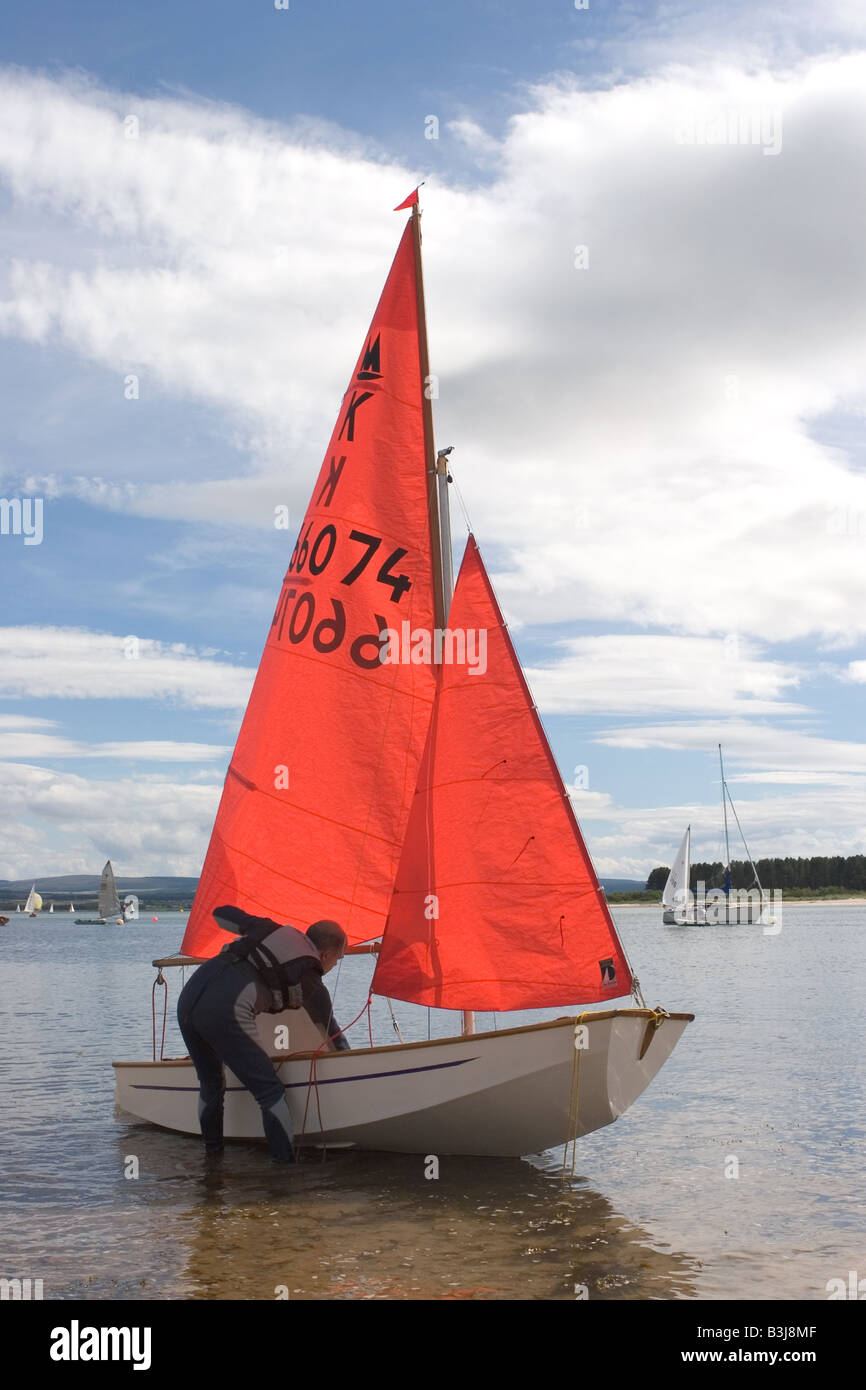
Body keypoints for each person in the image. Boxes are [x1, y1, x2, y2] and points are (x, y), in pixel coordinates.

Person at [177, 905, 349, 1163]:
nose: (334, 965)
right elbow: (332, 1034)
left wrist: (250, 930)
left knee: (211, 1082)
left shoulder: (269, 928)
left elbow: (220, 913)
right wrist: (352, 1069)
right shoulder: (311, 979)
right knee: (270, 1091)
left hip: (188, 999)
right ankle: (284, 1169)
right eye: (338, 959)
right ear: (325, 955)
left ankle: (212, 1161)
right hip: (226, 1010)